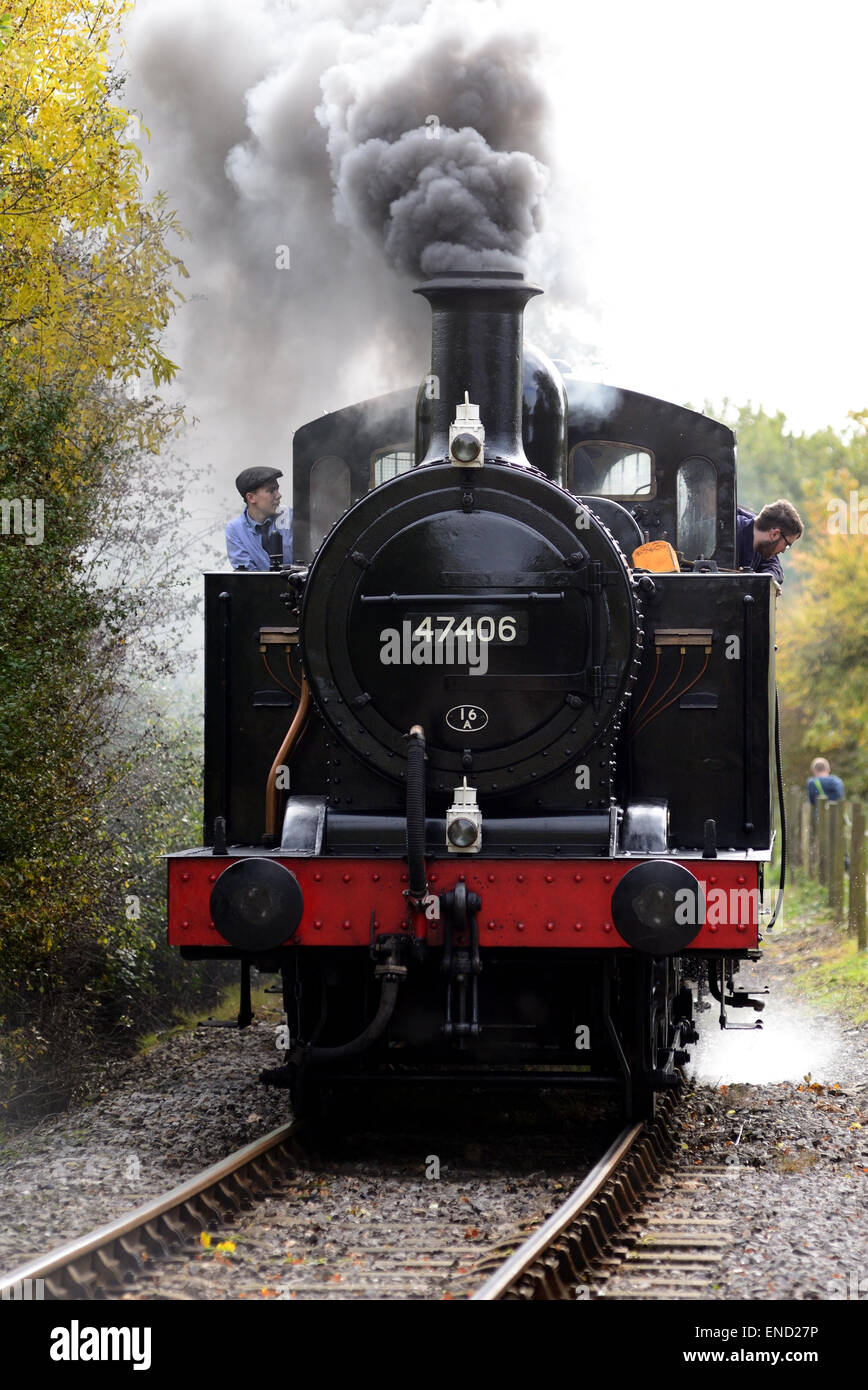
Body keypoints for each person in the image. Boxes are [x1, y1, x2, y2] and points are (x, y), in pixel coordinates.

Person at [225, 467, 293, 570]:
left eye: (277, 489)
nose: (279, 495)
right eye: (271, 491)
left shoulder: (289, 516)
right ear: (251, 498)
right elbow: (249, 576)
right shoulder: (235, 530)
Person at [736, 499, 803, 587]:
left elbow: (774, 567)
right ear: (775, 534)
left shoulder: (765, 548)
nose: (783, 551)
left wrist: (768, 582)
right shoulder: (727, 532)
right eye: (787, 544)